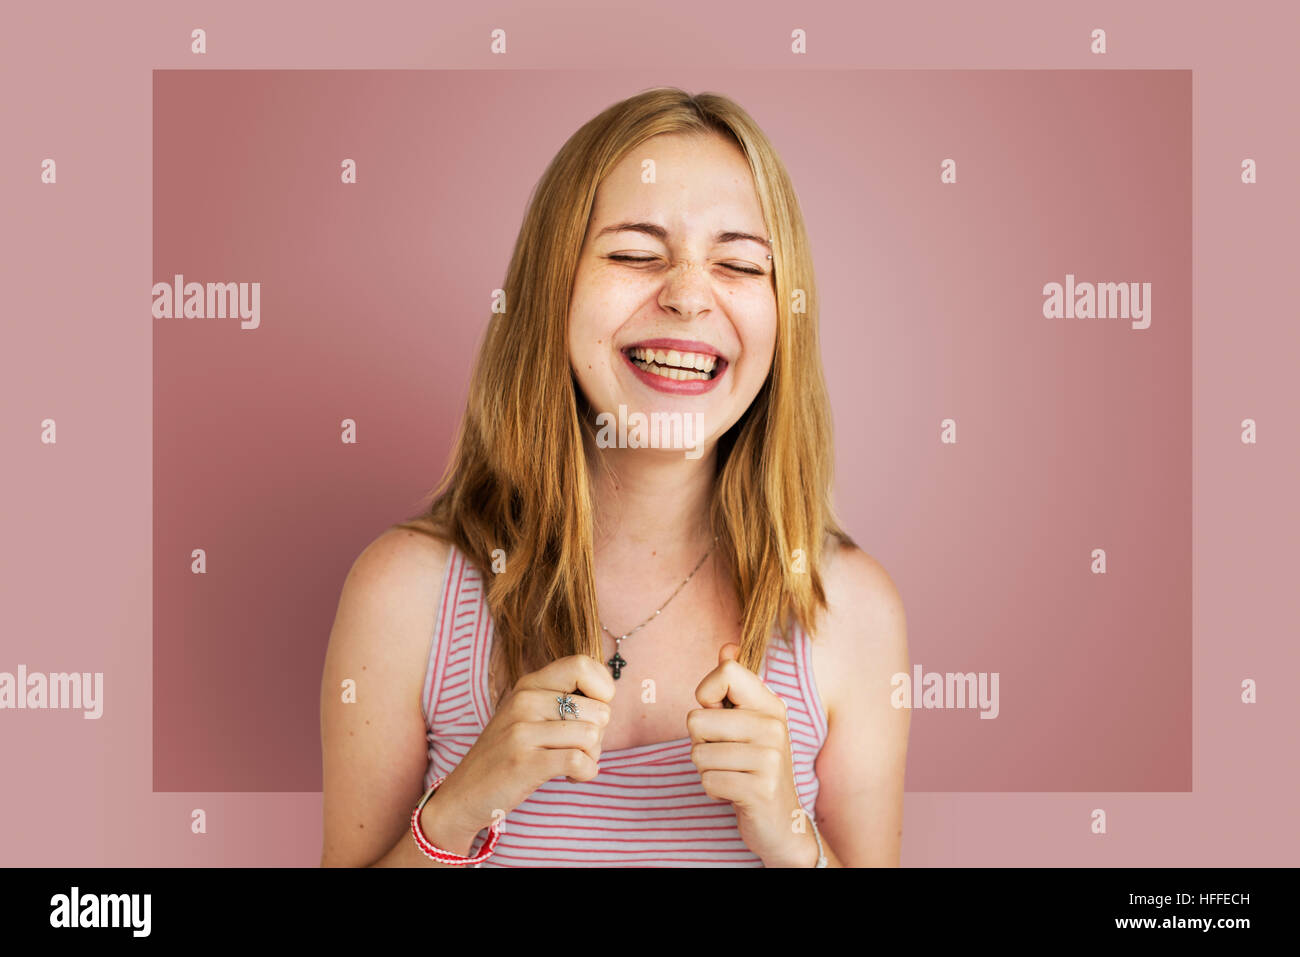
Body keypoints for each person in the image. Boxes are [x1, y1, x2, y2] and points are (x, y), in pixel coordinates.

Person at [319, 87, 910, 867]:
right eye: (635, 252)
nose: (689, 295)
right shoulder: (405, 592)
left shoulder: (850, 612)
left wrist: (789, 833)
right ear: (550, 291)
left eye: (737, 263)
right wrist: (462, 804)